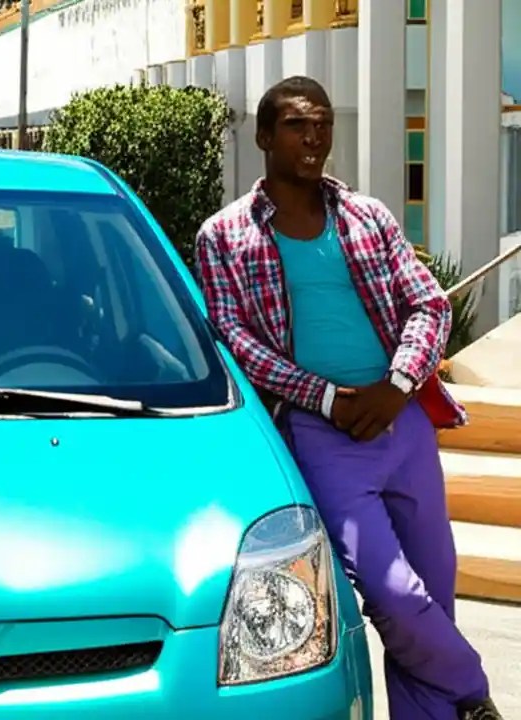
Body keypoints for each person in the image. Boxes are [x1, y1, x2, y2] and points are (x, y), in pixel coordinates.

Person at [194, 76, 502, 720]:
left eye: (324, 124)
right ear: (262, 136)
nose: (314, 138)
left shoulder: (369, 215)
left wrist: (396, 386)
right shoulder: (224, 236)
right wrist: (330, 399)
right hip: (322, 434)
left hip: (403, 422)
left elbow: (427, 303)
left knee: (433, 596)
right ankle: (473, 692)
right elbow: (236, 339)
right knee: (393, 595)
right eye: (297, 125)